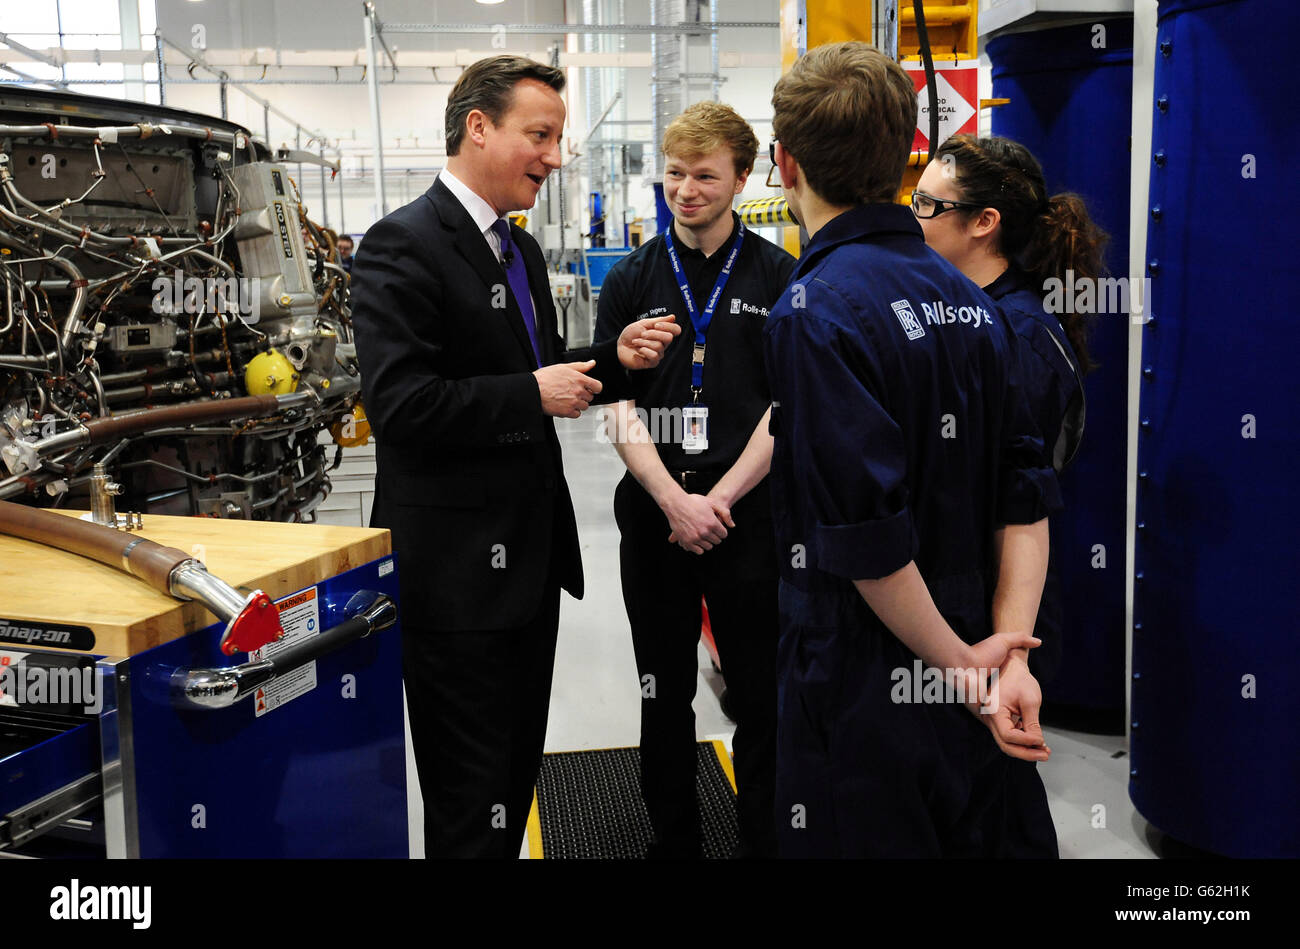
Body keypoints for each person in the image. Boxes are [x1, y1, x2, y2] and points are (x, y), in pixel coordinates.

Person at [349, 55, 681, 859]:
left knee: (512, 783)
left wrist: (614, 359)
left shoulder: (519, 252)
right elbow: (403, 406)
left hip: (530, 572)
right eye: (540, 135)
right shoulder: (402, 245)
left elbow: (533, 367)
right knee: (470, 804)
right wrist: (532, 392)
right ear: (477, 127)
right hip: (456, 584)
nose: (555, 157)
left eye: (558, 138)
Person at [763, 42, 1063, 857]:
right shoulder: (974, 302)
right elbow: (1024, 493)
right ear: (907, 159)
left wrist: (960, 668)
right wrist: (1007, 657)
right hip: (979, 649)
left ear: (784, 161)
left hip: (865, 680)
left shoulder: (812, 310)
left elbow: (870, 541)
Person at [594, 102, 796, 858]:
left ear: (743, 178)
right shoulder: (633, 277)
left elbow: (788, 403)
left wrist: (719, 499)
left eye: (705, 175)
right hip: (656, 517)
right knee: (663, 691)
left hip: (749, 519)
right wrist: (674, 500)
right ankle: (673, 840)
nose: (686, 190)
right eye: (675, 173)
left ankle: (763, 841)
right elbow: (614, 403)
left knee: (759, 695)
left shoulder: (781, 276)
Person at [912, 134, 1107, 686]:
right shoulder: (959, 310)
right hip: (955, 590)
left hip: (994, 606)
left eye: (929, 205)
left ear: (983, 222)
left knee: (993, 767)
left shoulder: (1019, 333)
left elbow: (1013, 500)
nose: (915, 218)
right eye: (914, 201)